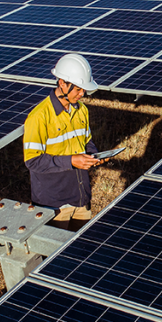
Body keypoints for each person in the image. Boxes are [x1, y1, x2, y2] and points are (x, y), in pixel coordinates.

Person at [22, 53, 101, 231]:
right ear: (62, 83)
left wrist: (94, 156)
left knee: (79, 252)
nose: (82, 94)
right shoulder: (39, 117)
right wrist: (72, 161)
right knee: (54, 253)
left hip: (81, 198)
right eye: (78, 89)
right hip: (54, 205)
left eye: (84, 89)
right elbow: (33, 161)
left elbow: (87, 142)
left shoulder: (82, 111)